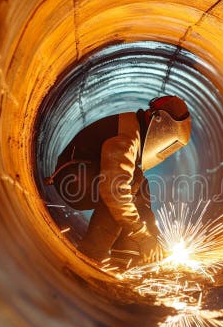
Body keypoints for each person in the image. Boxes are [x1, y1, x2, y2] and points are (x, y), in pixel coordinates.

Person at [44, 96, 191, 265]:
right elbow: (115, 191)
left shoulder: (134, 129)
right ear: (157, 121)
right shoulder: (127, 139)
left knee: (140, 183)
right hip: (73, 182)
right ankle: (90, 254)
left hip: (83, 177)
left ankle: (128, 251)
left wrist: (150, 238)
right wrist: (141, 235)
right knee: (127, 183)